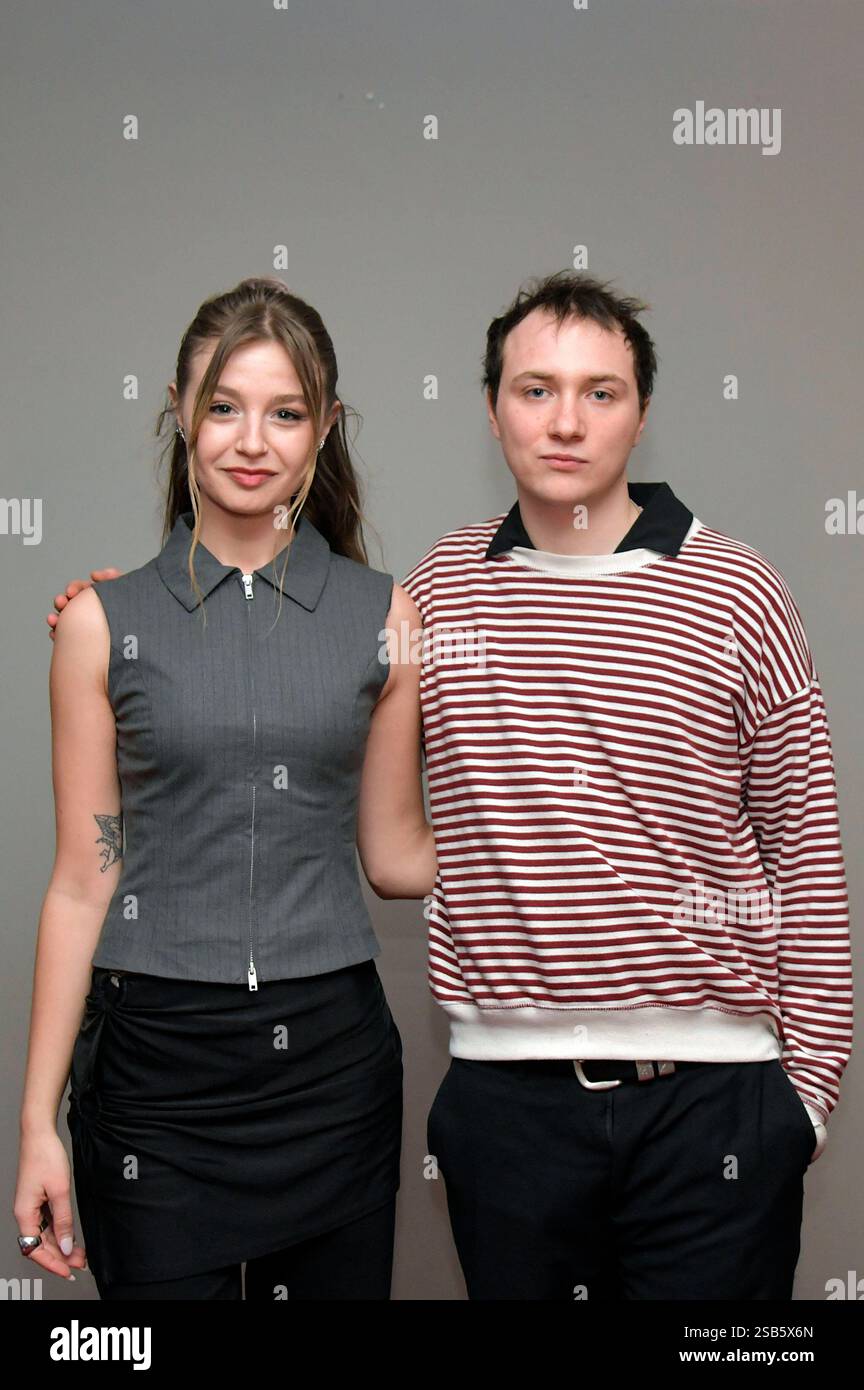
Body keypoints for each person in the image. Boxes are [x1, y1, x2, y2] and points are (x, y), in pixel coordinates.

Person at [399, 271, 853, 1300]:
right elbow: (293, 673)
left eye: (600, 392)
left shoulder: (740, 588)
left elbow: (806, 850)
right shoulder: (441, 587)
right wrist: (143, 599)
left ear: (642, 415)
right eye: (535, 389)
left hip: (716, 1108)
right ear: (491, 407)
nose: (566, 420)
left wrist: (807, 1096)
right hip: (507, 1113)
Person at [16, 276, 434, 1300]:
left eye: (287, 412)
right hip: (153, 1081)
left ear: (326, 427)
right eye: (224, 406)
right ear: (179, 410)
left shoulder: (391, 617)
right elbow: (82, 880)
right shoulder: (98, 622)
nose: (253, 440)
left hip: (330, 1080)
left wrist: (581, 826)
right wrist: (34, 1125)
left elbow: (394, 858)